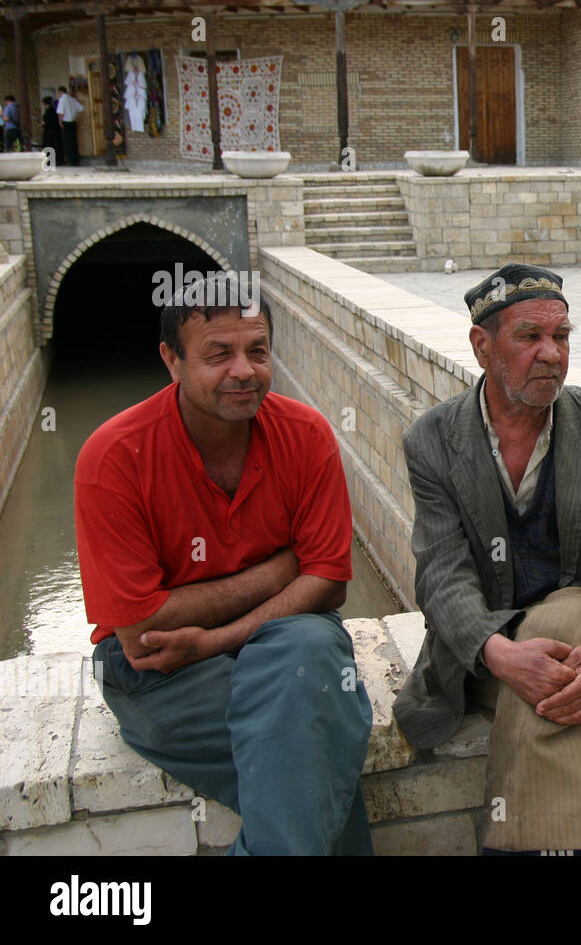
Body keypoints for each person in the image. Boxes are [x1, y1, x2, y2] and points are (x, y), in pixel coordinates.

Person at [74, 290, 373, 855]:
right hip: (162, 675)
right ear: (171, 360)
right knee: (312, 739)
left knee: (309, 650)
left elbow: (329, 582)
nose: (244, 372)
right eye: (218, 355)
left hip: (284, 645)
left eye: (257, 351)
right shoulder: (114, 456)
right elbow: (141, 628)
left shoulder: (305, 435)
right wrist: (283, 568)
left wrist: (213, 636)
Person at [394, 263, 581, 856]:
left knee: (559, 624)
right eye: (529, 337)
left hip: (578, 631)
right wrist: (502, 654)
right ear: (481, 346)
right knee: (558, 686)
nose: (552, 355)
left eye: (561, 337)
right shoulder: (432, 440)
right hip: (485, 649)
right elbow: (441, 569)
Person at [56, 85, 81, 166]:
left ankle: (70, 160)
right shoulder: (72, 99)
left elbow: (61, 112)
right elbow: (80, 108)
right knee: (74, 141)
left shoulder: (62, 99)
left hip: (66, 122)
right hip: (73, 122)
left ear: (60, 92)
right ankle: (76, 160)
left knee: (67, 142)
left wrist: (60, 122)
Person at [41, 96, 62, 165]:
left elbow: (47, 122)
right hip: (55, 131)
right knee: (55, 146)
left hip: (48, 131)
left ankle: (49, 161)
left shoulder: (48, 111)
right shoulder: (54, 110)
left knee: (48, 146)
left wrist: (43, 123)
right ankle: (56, 160)